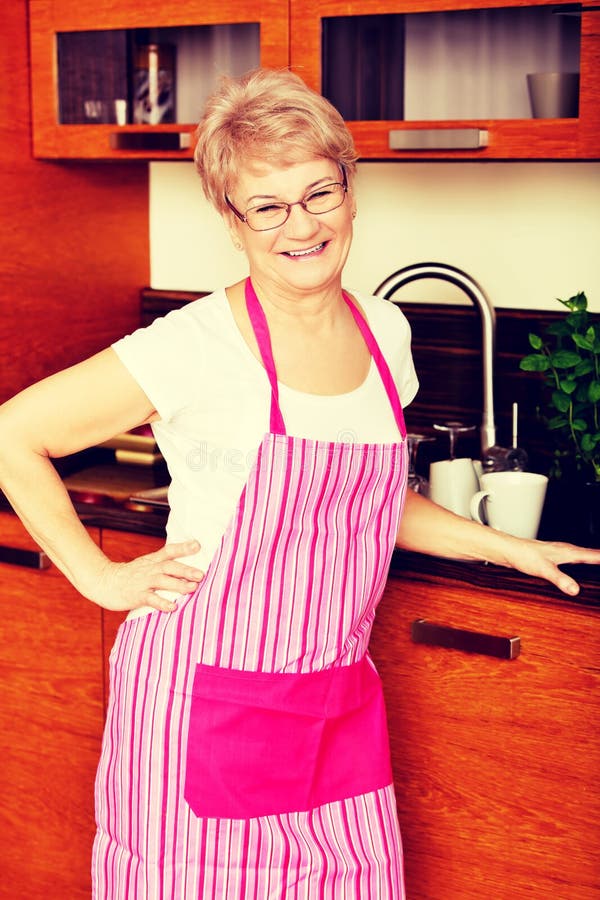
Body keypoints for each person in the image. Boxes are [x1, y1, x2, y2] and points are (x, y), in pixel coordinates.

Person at [0, 67, 598, 900]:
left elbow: (371, 506)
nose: (301, 225)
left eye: (319, 193)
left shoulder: (384, 330)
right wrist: (98, 578)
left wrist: (508, 549)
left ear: (352, 190)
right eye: (268, 206)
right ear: (232, 221)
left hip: (333, 706)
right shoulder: (195, 344)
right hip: (197, 708)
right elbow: (12, 435)